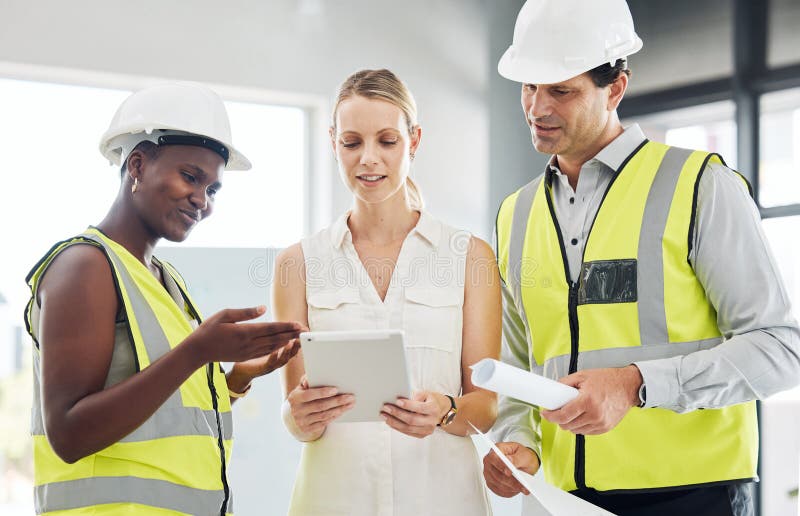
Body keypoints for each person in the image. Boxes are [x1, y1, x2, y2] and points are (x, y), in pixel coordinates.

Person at [483, 1, 800, 515]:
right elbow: (520, 365)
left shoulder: (700, 186)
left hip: (692, 496)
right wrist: (518, 440)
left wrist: (636, 384)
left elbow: (780, 350)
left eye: (561, 90)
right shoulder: (514, 214)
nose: (537, 107)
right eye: (528, 87)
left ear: (615, 88)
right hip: (560, 499)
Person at [24, 82, 302, 515]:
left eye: (212, 189)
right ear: (137, 165)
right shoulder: (86, 266)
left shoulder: (163, 280)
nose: (202, 201)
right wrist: (197, 352)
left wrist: (234, 379)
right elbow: (69, 435)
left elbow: (162, 414)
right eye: (190, 177)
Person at [274, 68, 500, 516]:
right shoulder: (296, 264)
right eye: (352, 142)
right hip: (334, 501)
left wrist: (445, 410)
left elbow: (487, 407)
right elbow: (297, 415)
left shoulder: (470, 257)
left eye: (387, 141)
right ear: (333, 142)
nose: (368, 159)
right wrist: (297, 416)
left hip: (442, 501)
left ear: (414, 141)